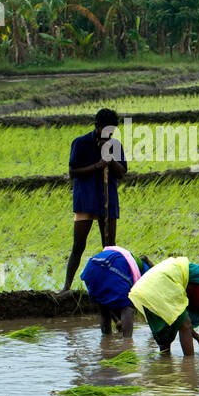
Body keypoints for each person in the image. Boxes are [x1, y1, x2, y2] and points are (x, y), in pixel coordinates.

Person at [61, 108, 127, 292]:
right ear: (97, 126)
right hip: (86, 199)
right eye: (105, 130)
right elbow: (73, 172)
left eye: (112, 131)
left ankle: (111, 287)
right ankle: (66, 287)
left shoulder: (115, 145)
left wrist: (110, 160)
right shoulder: (81, 143)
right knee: (79, 244)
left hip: (108, 200)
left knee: (109, 247)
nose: (109, 135)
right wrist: (98, 165)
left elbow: (122, 173)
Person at [79, 246, 151, 337]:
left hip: (91, 268)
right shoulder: (146, 270)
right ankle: (127, 343)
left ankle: (106, 340)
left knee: (104, 308)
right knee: (127, 307)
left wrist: (118, 321)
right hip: (110, 268)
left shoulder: (125, 258)